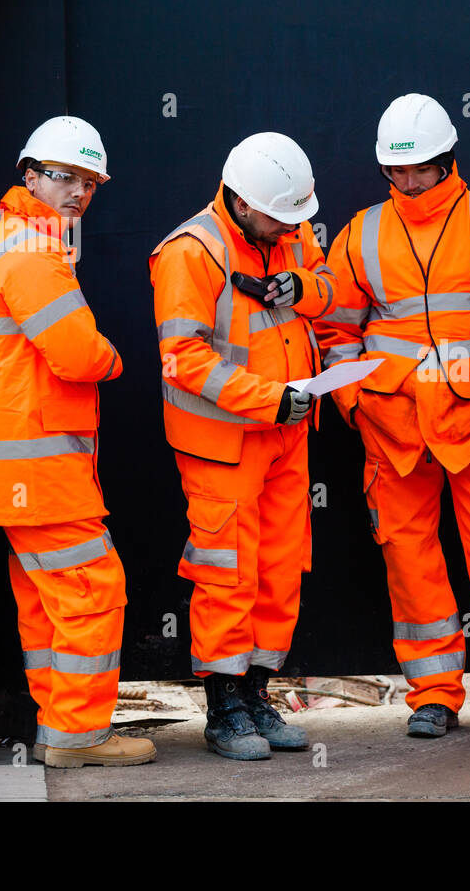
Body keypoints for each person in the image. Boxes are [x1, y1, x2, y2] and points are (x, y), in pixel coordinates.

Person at [313, 94, 470, 739]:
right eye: (396, 172)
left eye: (421, 169)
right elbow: (335, 330)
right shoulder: (360, 234)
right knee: (409, 560)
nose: (408, 182)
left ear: (447, 160)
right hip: (393, 426)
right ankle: (433, 693)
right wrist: (354, 402)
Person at [0, 116, 155, 768]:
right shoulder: (30, 253)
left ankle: (59, 728)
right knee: (94, 587)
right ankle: (78, 737)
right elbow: (78, 356)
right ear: (30, 175)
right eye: (64, 177)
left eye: (89, 182)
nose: (78, 192)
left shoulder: (17, 244)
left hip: (22, 472)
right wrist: (114, 358)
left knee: (49, 604)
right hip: (41, 472)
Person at [148, 133, 334, 761]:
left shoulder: (287, 233)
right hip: (223, 443)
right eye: (280, 216)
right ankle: (224, 706)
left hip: (285, 435)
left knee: (278, 570)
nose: (292, 227)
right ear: (242, 202)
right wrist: (271, 399)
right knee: (226, 573)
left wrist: (301, 287)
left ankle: (257, 691)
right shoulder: (191, 252)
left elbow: (329, 288)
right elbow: (183, 359)